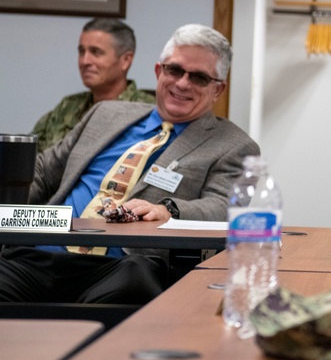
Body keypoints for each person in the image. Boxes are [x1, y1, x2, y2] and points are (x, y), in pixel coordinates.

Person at [0, 24, 260, 304]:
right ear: (159, 71)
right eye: (174, 70)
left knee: (132, 287)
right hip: (39, 255)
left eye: (198, 77)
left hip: (120, 267)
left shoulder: (234, 145)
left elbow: (223, 207)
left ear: (217, 89)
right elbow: (41, 174)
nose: (183, 83)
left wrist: (168, 210)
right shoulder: (105, 113)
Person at [32, 18, 155, 152]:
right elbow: (27, 155)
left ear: (125, 60)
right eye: (81, 52)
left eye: (96, 52)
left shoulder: (148, 111)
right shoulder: (67, 107)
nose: (85, 61)